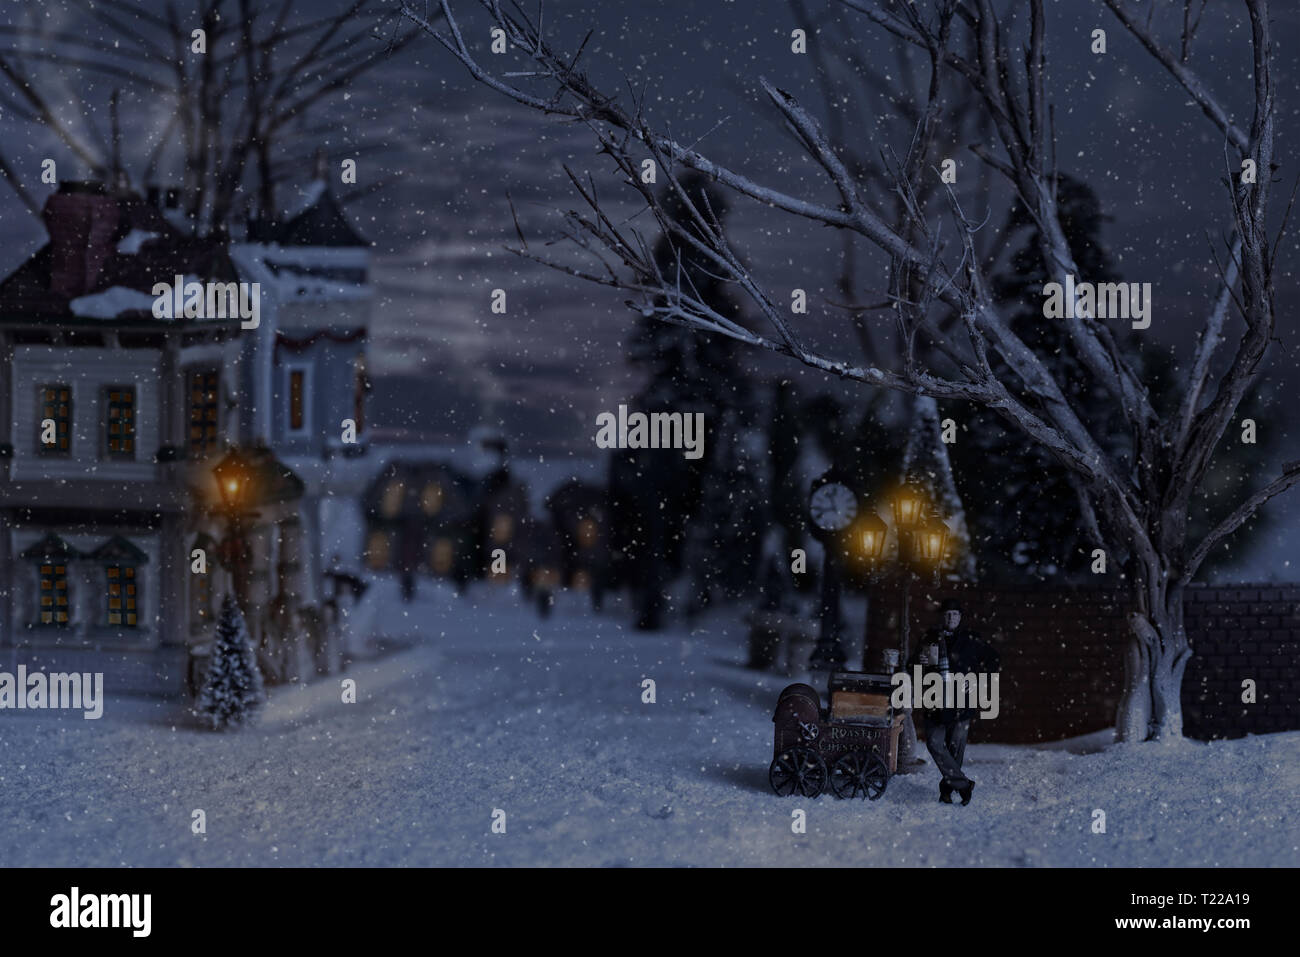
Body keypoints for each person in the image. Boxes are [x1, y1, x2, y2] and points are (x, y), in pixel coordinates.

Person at [909, 598, 1000, 805]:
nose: (951, 618)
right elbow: (912, 665)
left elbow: (994, 659)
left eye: (955, 615)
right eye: (948, 614)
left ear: (961, 618)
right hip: (935, 699)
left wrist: (977, 680)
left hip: (962, 701)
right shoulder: (930, 637)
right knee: (934, 743)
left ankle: (946, 791)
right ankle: (964, 785)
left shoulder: (971, 639)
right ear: (943, 616)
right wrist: (918, 663)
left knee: (955, 748)